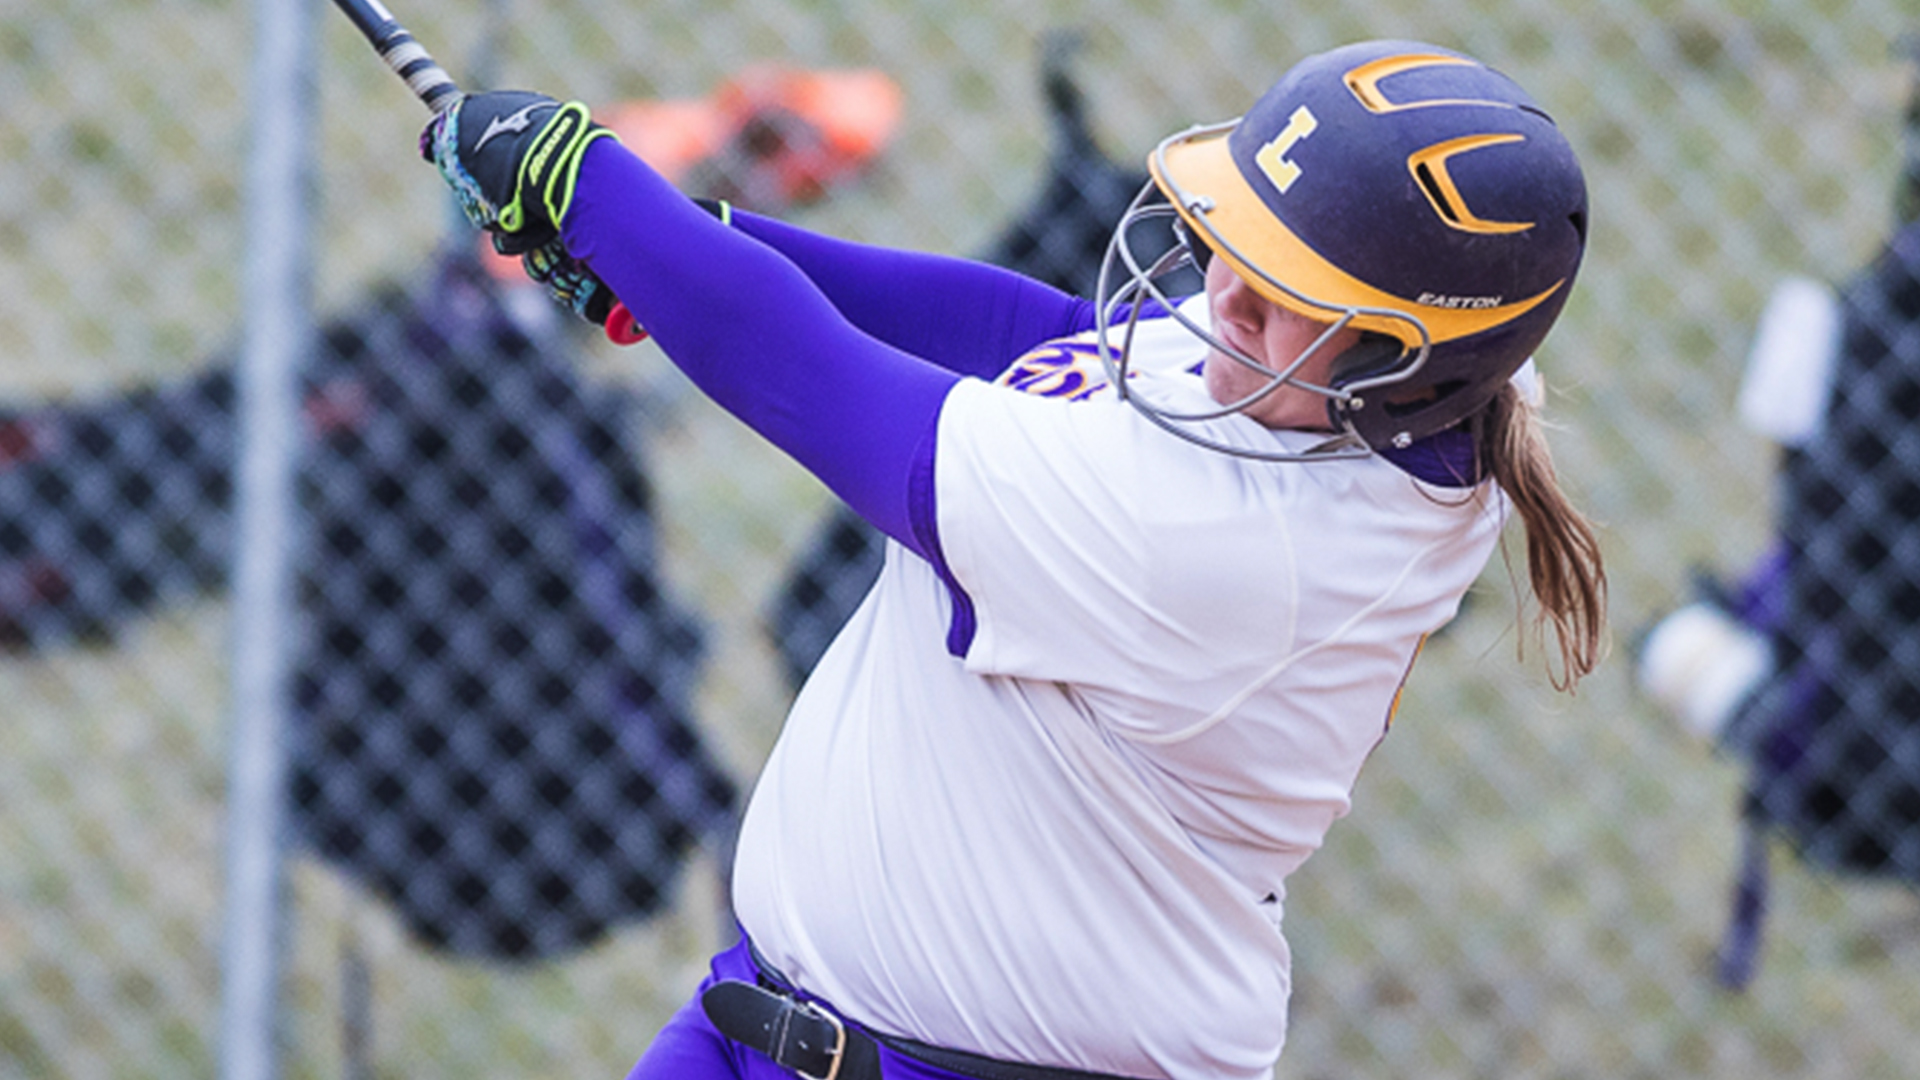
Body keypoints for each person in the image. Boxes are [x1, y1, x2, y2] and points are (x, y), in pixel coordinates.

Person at [417, 37, 1605, 1080]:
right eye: (1231, 244)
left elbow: (816, 387)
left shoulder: (1220, 545)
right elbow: (1043, 344)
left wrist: (601, 192)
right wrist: (693, 247)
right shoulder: (1344, 401)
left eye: (1283, 293)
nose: (1224, 297)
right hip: (770, 1020)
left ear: (1414, 363)